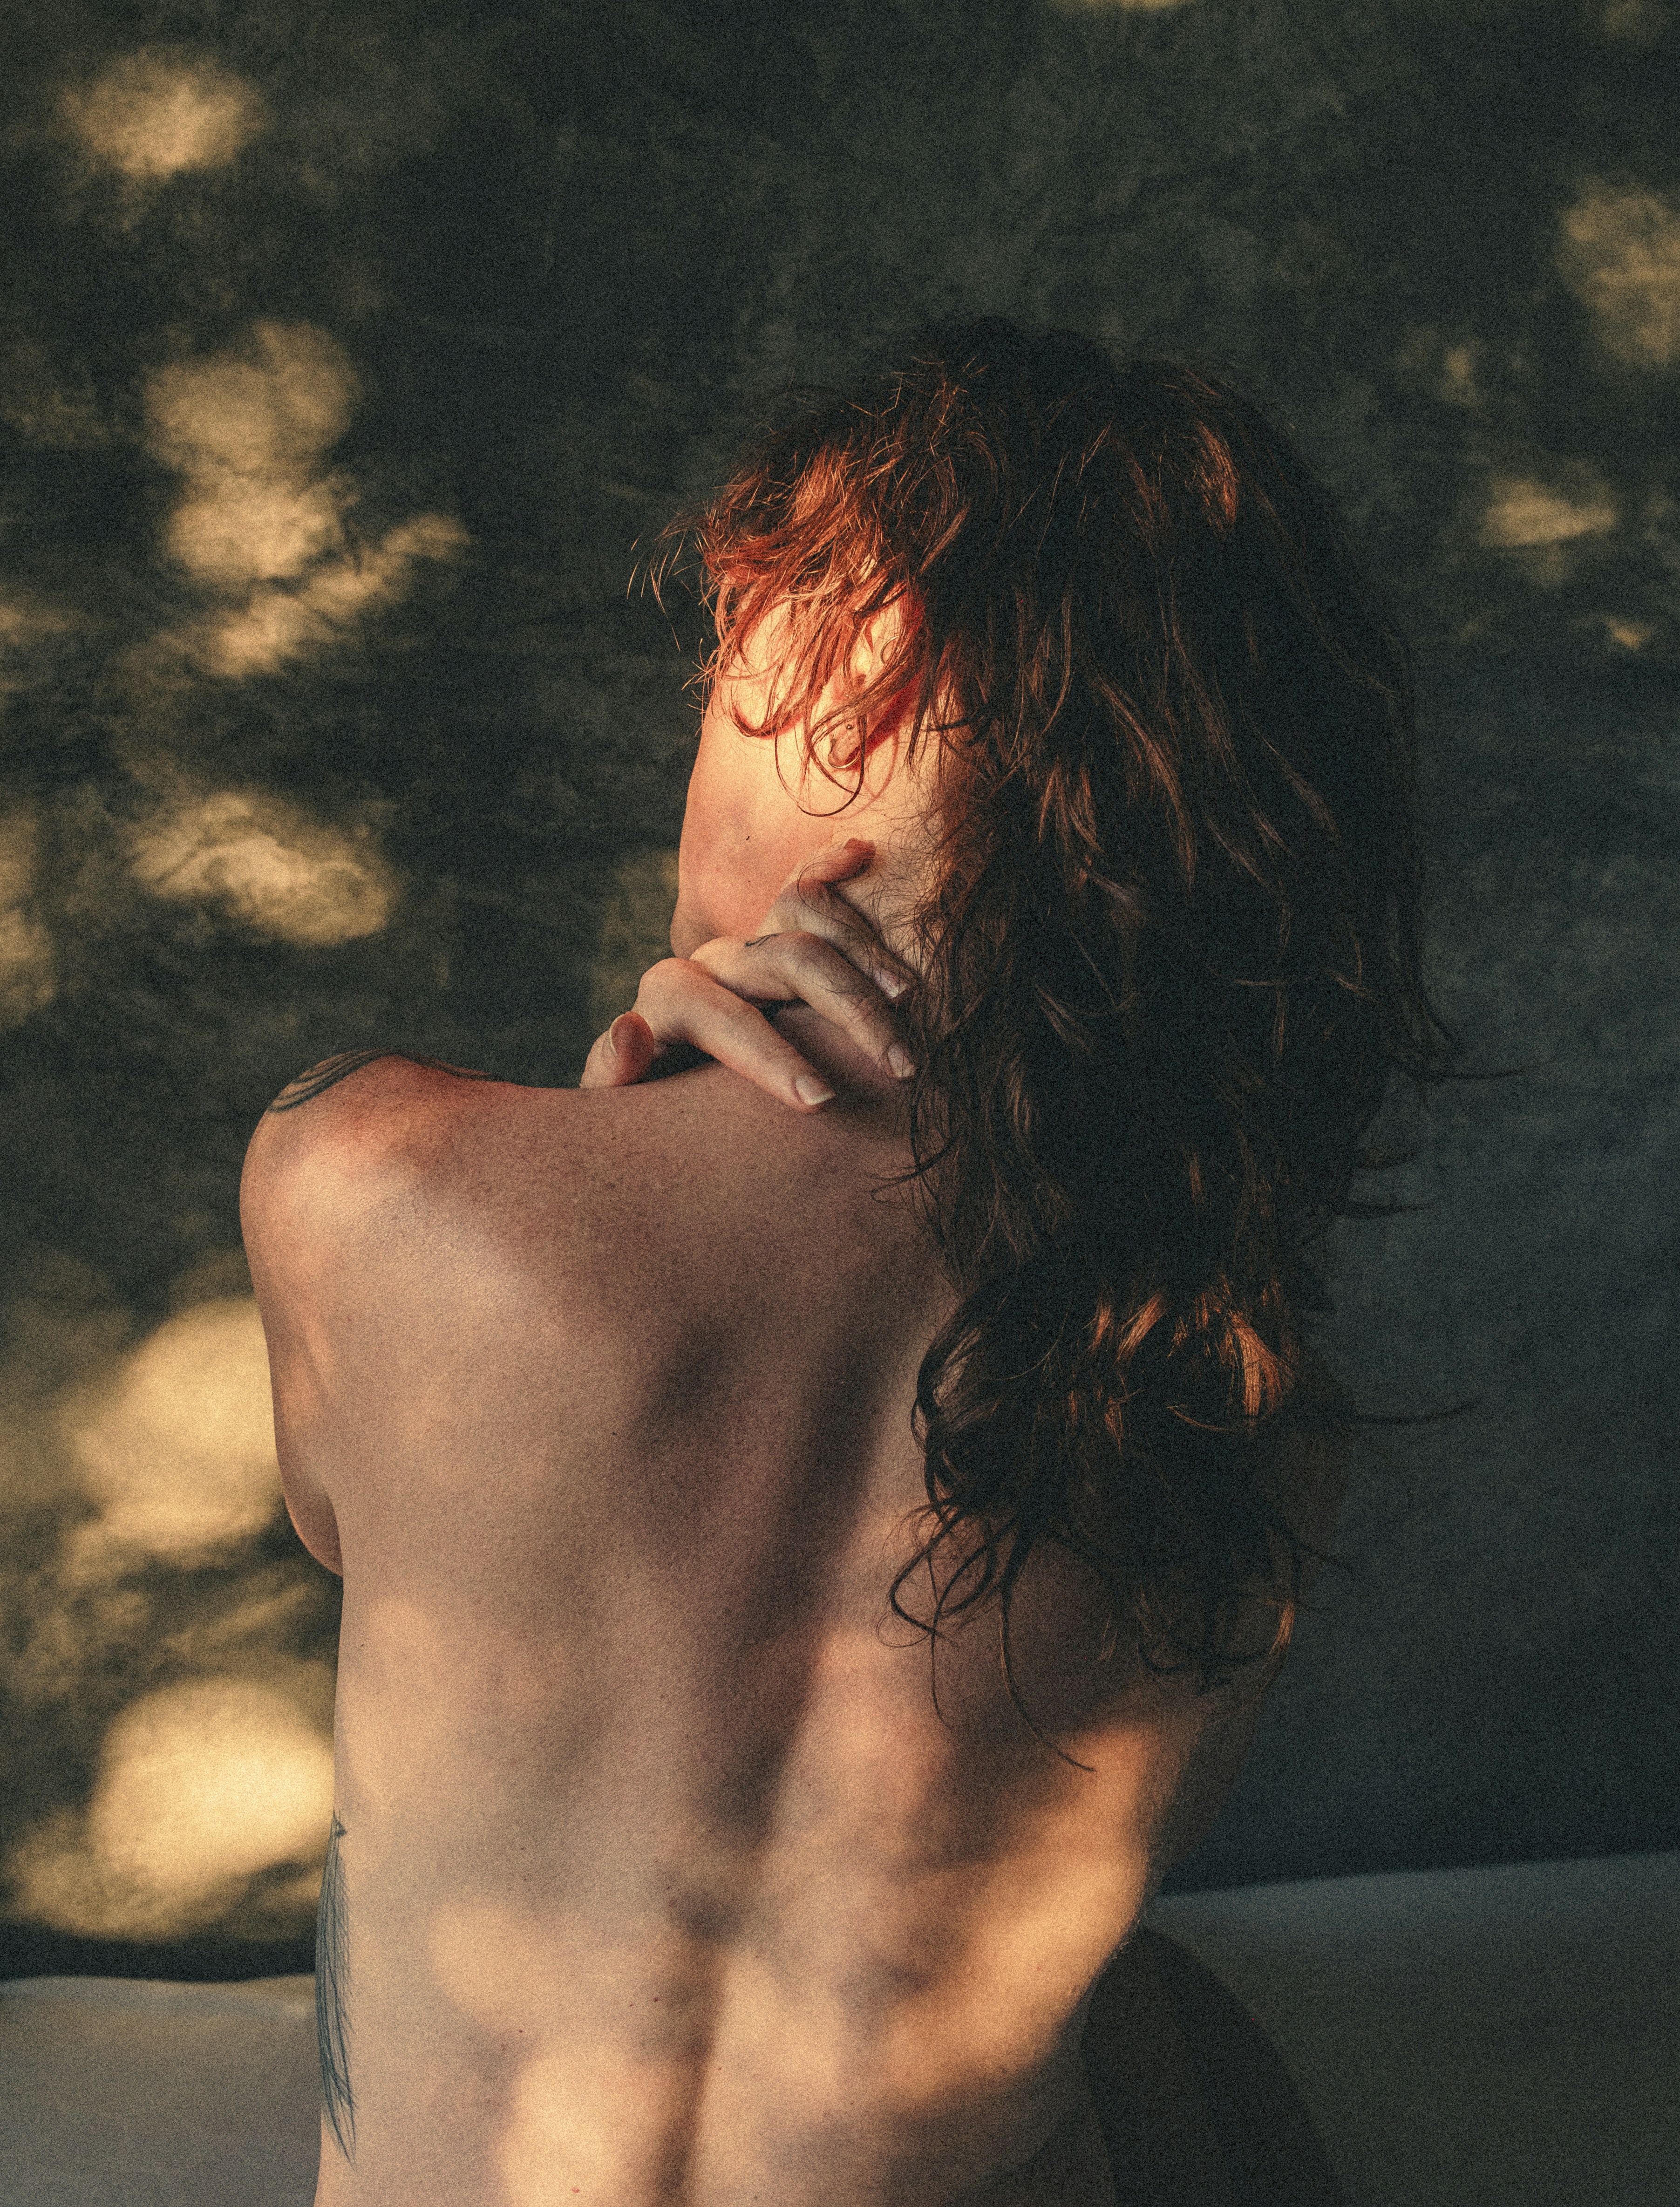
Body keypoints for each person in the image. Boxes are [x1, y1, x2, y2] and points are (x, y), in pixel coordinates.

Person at [244, 322, 1458, 2205]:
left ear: (860, 680)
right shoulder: (1246, 1421)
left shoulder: (364, 1182)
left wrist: (605, 1132)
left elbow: (398, 1528)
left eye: (734, 650)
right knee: (1149, 2013)